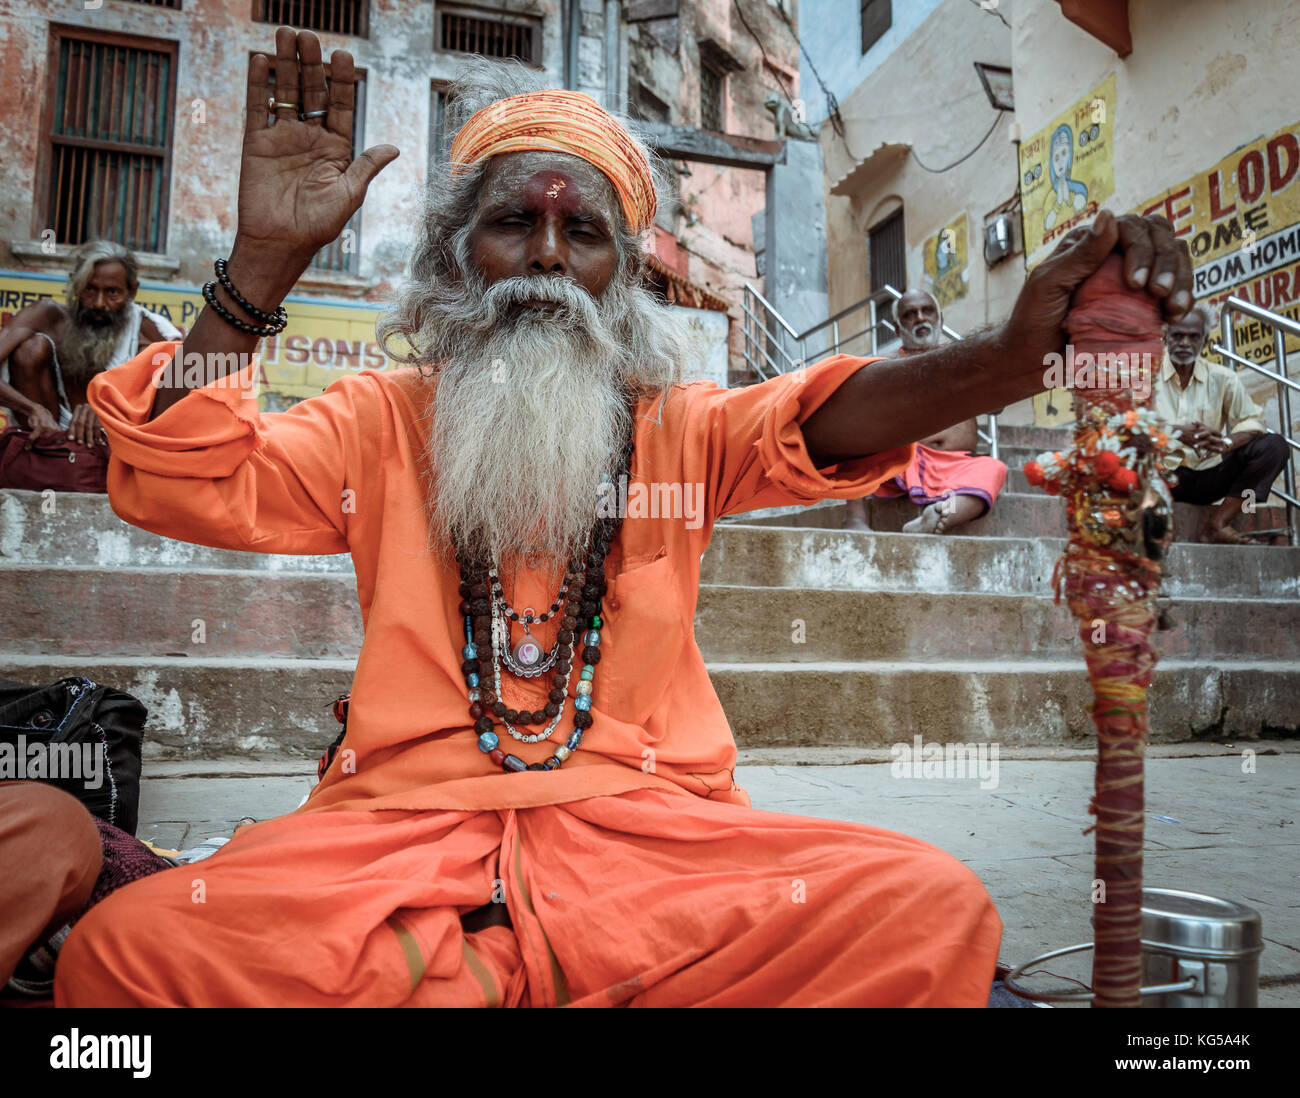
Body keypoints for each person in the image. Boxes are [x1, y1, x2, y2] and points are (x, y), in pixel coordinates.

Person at [51, 29, 1193, 1008]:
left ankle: (479, 978)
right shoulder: (374, 421)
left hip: (655, 846)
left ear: (618, 273)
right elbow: (187, 480)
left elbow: (825, 419)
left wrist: (1003, 359)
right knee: (134, 953)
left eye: (582, 233)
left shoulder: (680, 428)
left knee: (919, 906)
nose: (546, 254)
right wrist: (256, 274)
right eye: (513, 224)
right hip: (391, 841)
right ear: (462, 253)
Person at [842, 289, 1008, 534]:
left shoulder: (962, 360)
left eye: (927, 311)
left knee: (995, 469)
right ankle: (855, 520)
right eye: (909, 314)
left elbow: (997, 406)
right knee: (854, 433)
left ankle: (941, 513)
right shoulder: (885, 367)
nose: (920, 318)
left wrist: (983, 373)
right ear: (898, 330)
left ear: (939, 318)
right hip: (904, 461)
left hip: (956, 464)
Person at [0, 240, 182, 446]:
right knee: (29, 349)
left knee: (155, 361)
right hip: (46, 439)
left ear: (132, 291)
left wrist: (108, 408)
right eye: (89, 289)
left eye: (112, 292)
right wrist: (31, 409)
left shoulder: (150, 332)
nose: (99, 303)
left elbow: (183, 395)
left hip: (114, 443)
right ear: (74, 284)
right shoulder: (47, 316)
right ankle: (43, 451)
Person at [1153, 305, 1288, 545]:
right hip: (1162, 476)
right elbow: (1126, 425)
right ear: (1165, 337)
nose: (1185, 343)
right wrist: (1173, 433)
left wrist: (1225, 443)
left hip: (1209, 473)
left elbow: (1253, 420)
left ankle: (1218, 525)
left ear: (1204, 341)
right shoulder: (1146, 377)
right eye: (1178, 335)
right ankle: (1155, 524)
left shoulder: (1223, 378)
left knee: (1273, 446)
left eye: (1193, 337)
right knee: (1126, 450)